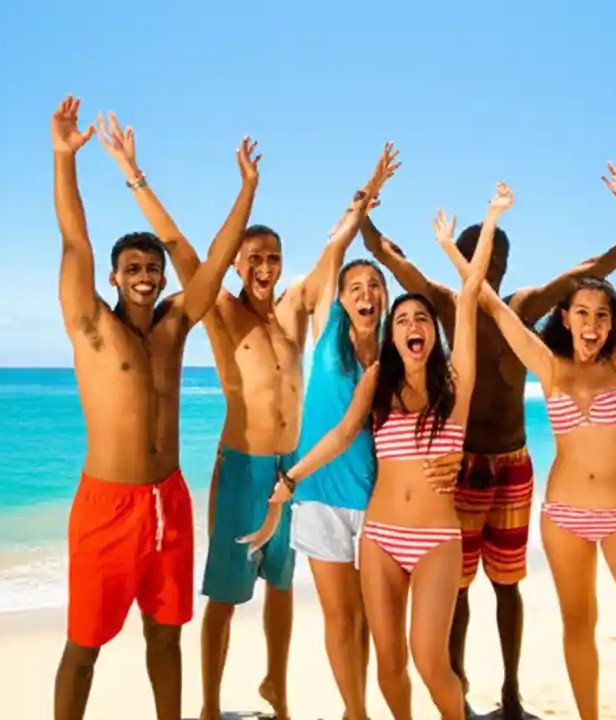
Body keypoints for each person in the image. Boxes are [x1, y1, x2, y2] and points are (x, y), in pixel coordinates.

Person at [359, 169, 616, 719]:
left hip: (562, 485)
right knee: (509, 606)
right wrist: (369, 214)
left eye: (600, 315)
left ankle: (514, 696)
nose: (590, 324)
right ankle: (467, 697)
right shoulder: (492, 328)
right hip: (503, 487)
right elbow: (443, 283)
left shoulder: (588, 339)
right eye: (581, 314)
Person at [158, 143, 400, 720]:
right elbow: (187, 253)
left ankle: (279, 693)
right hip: (243, 464)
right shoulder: (220, 309)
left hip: (294, 469)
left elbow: (336, 245)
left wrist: (366, 189)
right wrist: (239, 189)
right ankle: (210, 707)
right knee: (224, 593)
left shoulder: (296, 306)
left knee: (282, 588)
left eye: (273, 257)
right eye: (254, 259)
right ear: (238, 265)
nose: (265, 268)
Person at [246, 182, 506, 720]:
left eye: (421, 319)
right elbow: (341, 433)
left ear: (432, 331)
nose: (413, 326)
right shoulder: (376, 380)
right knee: (386, 659)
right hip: (376, 530)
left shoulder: (456, 383)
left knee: (428, 659)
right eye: (404, 320)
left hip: (426, 532)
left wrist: (483, 222)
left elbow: (470, 289)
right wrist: (287, 484)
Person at [50, 95, 261, 720]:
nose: (144, 275)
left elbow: (220, 258)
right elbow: (73, 237)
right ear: (113, 278)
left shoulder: (174, 326)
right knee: (83, 646)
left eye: (152, 268)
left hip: (168, 503)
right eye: (132, 268)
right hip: (105, 507)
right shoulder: (90, 325)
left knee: (165, 634)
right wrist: (65, 158)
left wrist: (246, 189)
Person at [279, 152, 464, 720]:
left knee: (381, 629)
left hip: (380, 501)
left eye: (374, 287)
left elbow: (439, 408)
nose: (365, 294)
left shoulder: (395, 344)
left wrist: (453, 458)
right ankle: (355, 711)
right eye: (355, 286)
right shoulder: (325, 326)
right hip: (319, 496)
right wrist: (368, 191)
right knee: (341, 619)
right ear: (340, 296)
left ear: (384, 299)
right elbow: (337, 243)